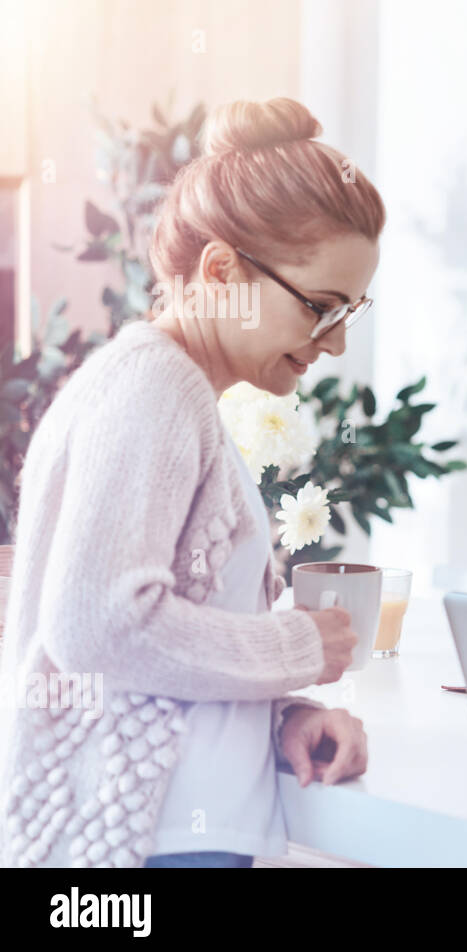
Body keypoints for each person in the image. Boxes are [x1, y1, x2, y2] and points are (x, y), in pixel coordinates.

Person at [0, 97, 381, 867]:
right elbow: (98, 624)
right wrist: (295, 646)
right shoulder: (156, 388)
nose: (336, 341)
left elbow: (153, 668)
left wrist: (283, 717)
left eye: (351, 312)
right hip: (148, 850)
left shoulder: (165, 390)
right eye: (321, 307)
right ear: (220, 272)